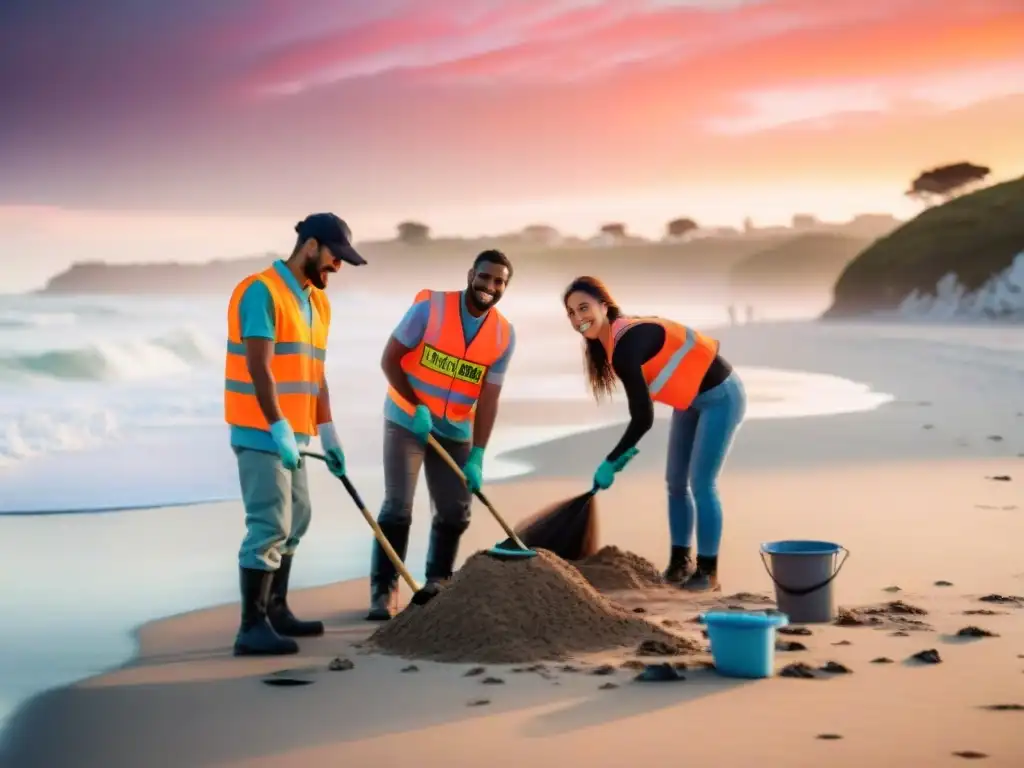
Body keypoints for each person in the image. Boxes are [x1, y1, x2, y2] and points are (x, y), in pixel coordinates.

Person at [224, 213, 367, 655]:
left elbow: (315, 374)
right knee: (270, 522)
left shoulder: (318, 303)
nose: (337, 267)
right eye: (334, 256)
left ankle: (278, 609)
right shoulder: (260, 291)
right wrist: (278, 425)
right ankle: (251, 627)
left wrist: (329, 433)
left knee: (297, 519)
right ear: (310, 246)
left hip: (298, 433)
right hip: (260, 427)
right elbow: (258, 366)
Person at [562, 276, 746, 592]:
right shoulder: (611, 343)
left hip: (721, 398)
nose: (579, 318)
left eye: (584, 308)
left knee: (701, 483)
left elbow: (643, 417)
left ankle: (708, 572)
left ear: (604, 305)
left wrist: (611, 460)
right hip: (689, 401)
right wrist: (621, 455)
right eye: (571, 313)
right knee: (675, 483)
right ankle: (679, 563)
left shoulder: (626, 345)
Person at [369, 250, 517, 620]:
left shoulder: (503, 335)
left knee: (456, 512)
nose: (490, 287)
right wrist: (415, 405)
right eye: (485, 277)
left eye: (499, 281)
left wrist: (479, 453)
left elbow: (489, 397)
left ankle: (437, 582)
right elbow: (389, 359)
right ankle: (383, 592)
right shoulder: (429, 309)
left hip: (455, 428)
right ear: (471, 274)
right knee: (398, 508)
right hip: (407, 420)